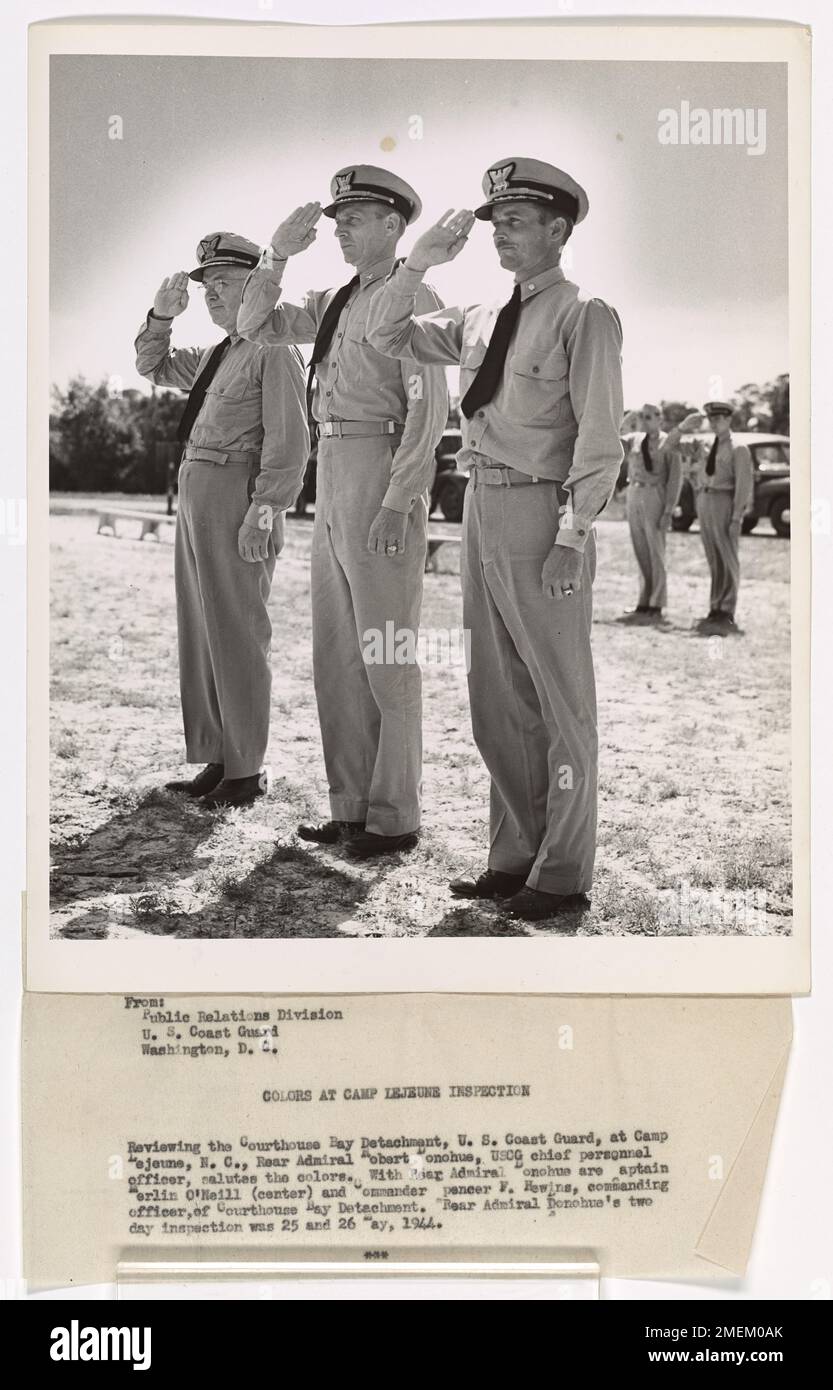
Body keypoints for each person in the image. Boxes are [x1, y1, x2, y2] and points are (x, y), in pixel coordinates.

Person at [366, 157, 624, 922]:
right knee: (496, 699)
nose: (499, 235)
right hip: (480, 503)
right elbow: (384, 331)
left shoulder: (585, 315)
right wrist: (416, 263)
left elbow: (600, 437)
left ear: (557, 228)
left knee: (558, 699)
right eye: (493, 223)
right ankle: (514, 856)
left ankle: (563, 870)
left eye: (514, 221)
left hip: (544, 512)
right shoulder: (476, 317)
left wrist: (573, 535)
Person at [237, 166, 448, 859]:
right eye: (336, 220)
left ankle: (396, 816)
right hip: (329, 472)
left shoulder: (414, 294)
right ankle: (350, 806)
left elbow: (427, 412)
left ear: (393, 224)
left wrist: (399, 498)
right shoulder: (330, 300)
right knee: (336, 654)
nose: (338, 230)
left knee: (386, 653)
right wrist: (275, 256)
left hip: (379, 468)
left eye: (353, 218)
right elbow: (254, 325)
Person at [135, 232, 309, 808]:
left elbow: (290, 439)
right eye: (206, 285)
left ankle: (246, 769)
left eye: (225, 283)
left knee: (236, 633)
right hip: (199, 493)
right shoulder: (218, 354)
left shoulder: (274, 349)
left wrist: (265, 511)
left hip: (238, 497)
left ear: (257, 285)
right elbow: (151, 364)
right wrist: (163, 314)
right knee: (203, 632)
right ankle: (218, 755)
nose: (211, 294)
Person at [619, 403, 698, 619]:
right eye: (642, 417)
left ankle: (657, 603)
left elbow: (675, 479)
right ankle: (643, 601)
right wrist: (628, 418)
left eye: (648, 417)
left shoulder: (668, 442)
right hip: (635, 493)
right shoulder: (635, 439)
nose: (644, 421)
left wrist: (668, 511)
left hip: (656, 495)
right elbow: (615, 438)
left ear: (659, 419)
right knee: (641, 550)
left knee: (656, 551)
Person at [690, 401, 754, 629]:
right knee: (713, 557)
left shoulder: (739, 448)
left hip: (724, 501)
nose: (714, 423)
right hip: (706, 500)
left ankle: (727, 608)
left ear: (728, 419)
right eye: (711, 419)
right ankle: (715, 606)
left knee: (727, 556)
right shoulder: (707, 444)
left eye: (718, 418)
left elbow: (743, 486)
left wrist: (737, 517)